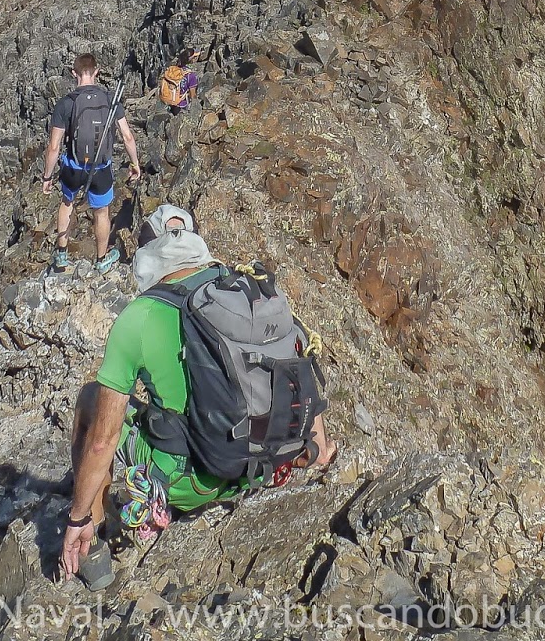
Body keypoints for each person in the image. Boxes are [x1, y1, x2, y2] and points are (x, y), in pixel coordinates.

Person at [60, 206, 335, 590]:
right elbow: (295, 358)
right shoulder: (243, 287)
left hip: (190, 483)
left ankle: (93, 544)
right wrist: (318, 445)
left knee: (91, 400)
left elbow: (103, 440)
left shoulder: (139, 316)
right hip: (261, 466)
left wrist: (75, 516)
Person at [41, 53, 141, 274]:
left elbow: (54, 147)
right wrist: (135, 164)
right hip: (101, 168)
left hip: (74, 168)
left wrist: (47, 177)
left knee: (67, 203)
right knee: (102, 212)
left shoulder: (66, 104)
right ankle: (101, 259)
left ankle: (62, 255)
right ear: (97, 72)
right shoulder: (110, 99)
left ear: (73, 73)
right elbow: (127, 137)